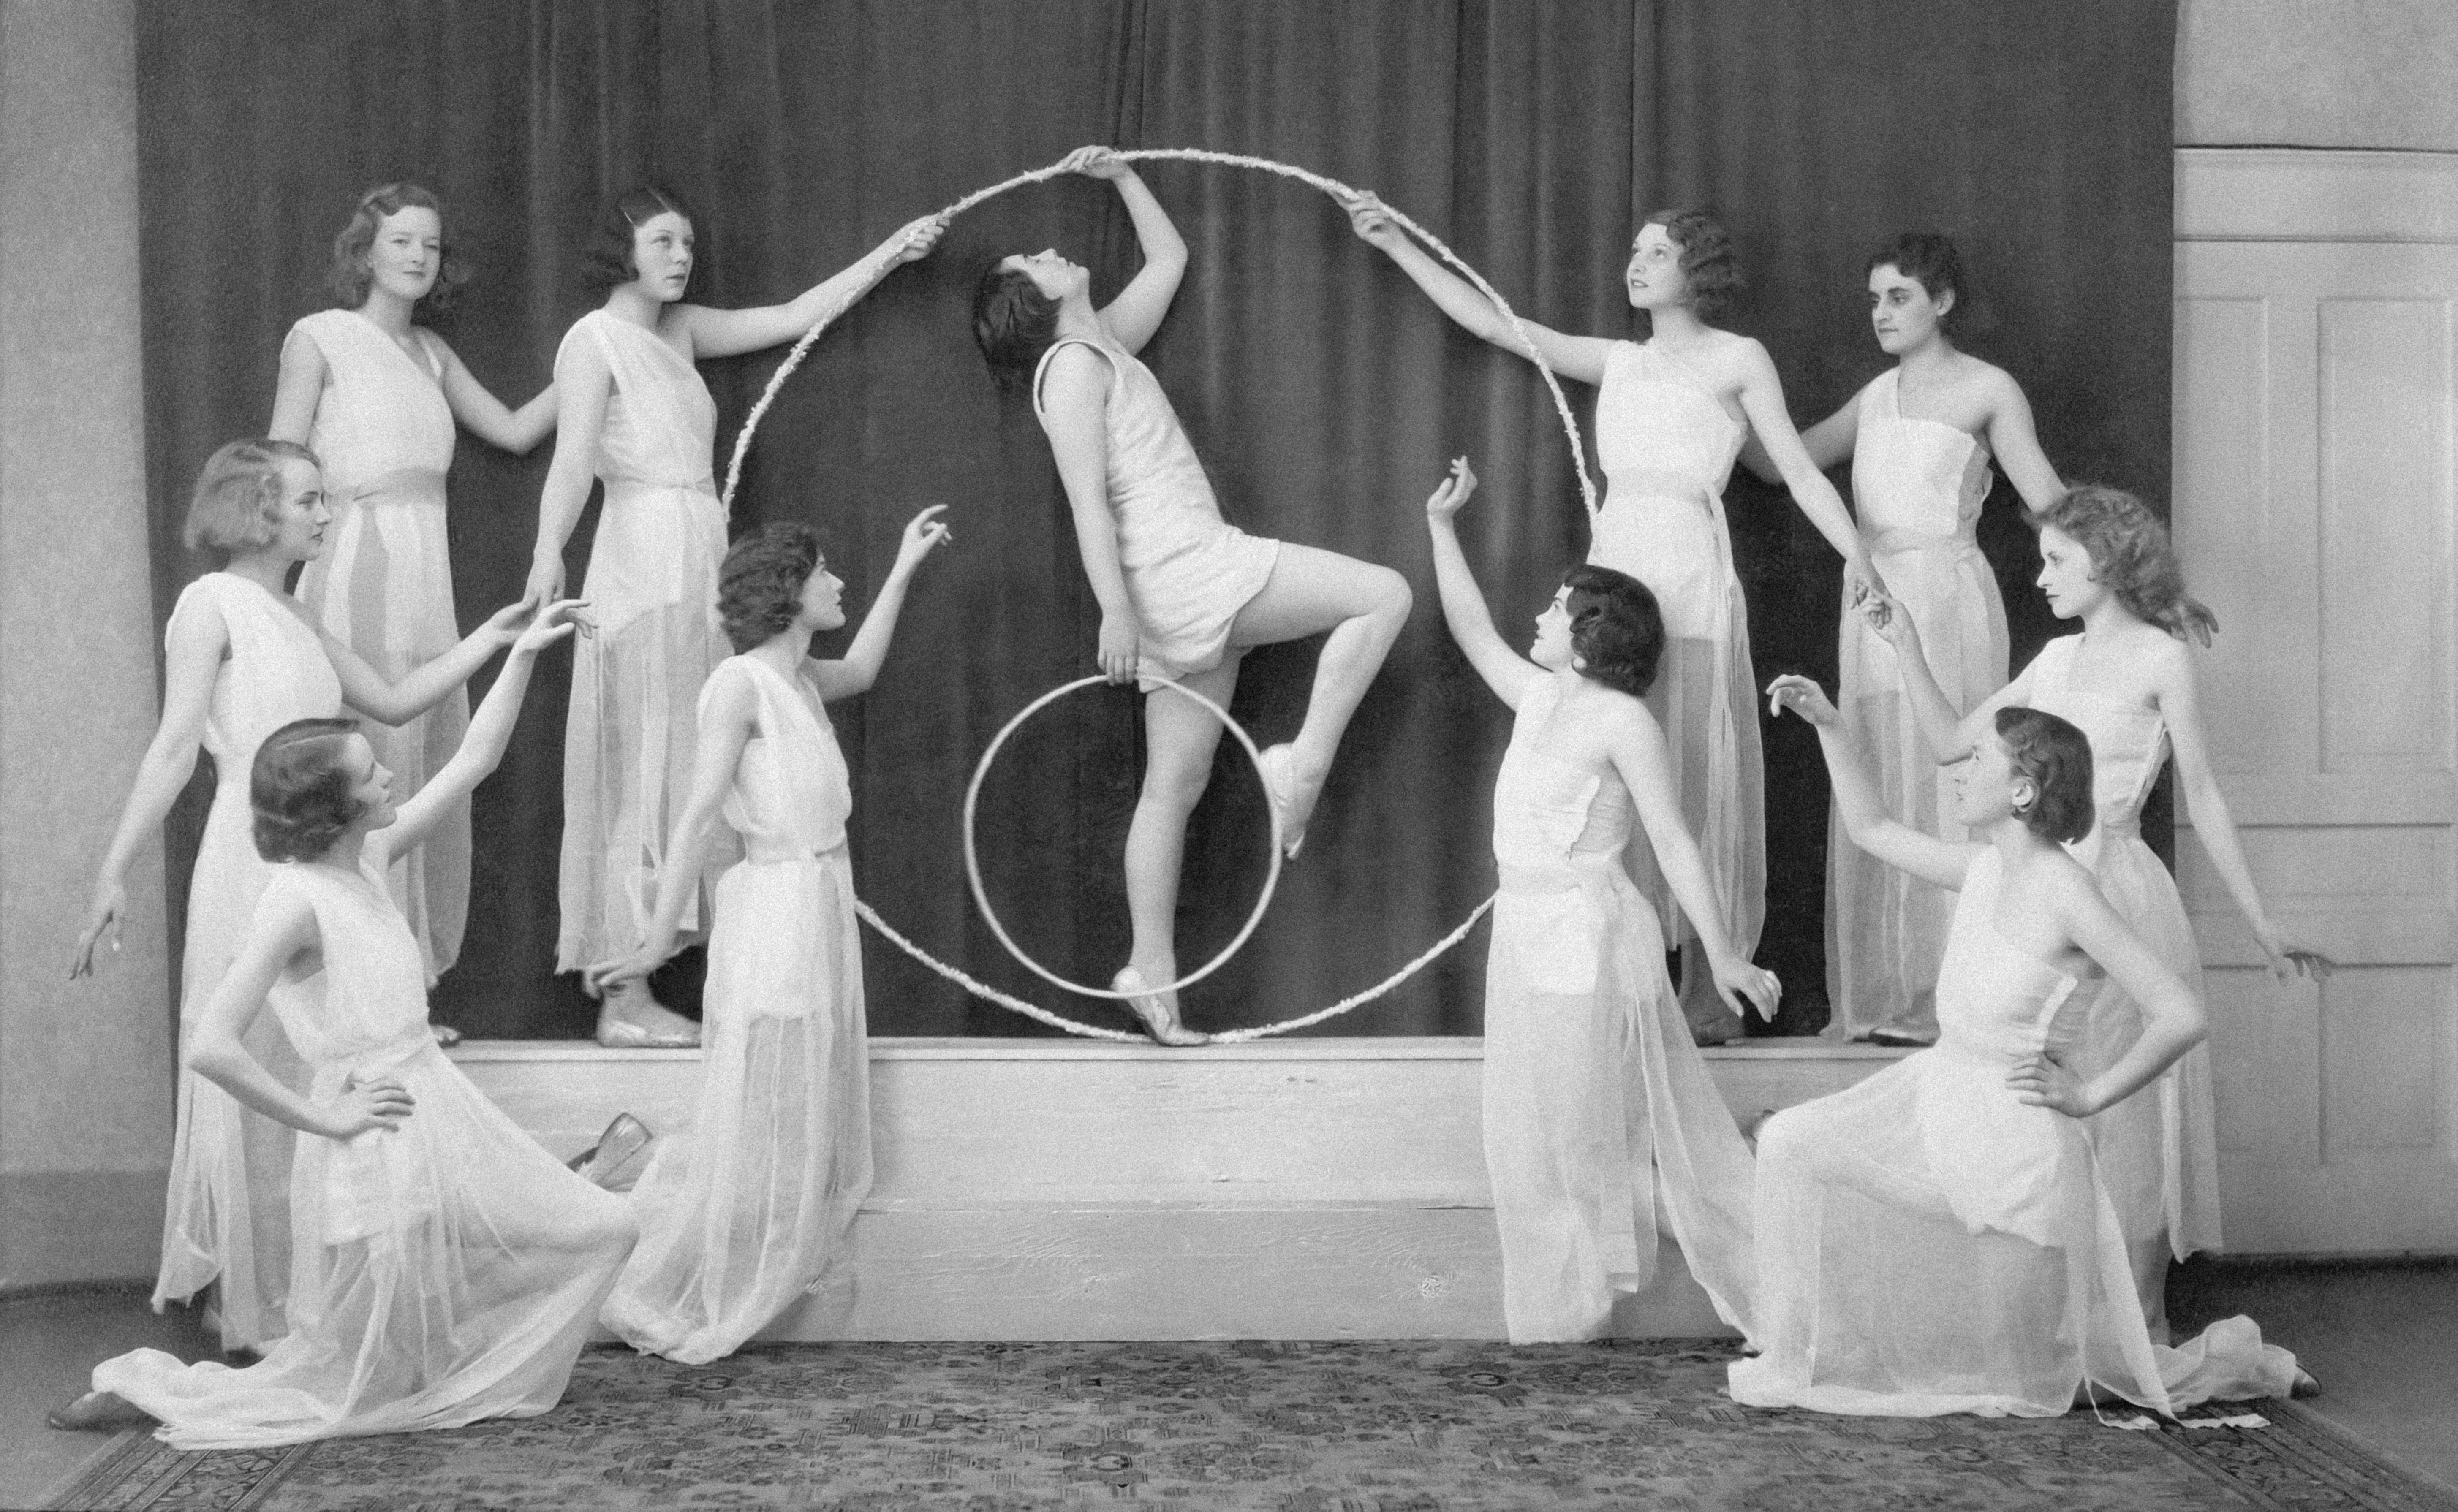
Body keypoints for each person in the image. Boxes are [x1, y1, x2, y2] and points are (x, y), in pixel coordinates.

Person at [53, 600, 641, 1448]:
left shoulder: (366, 859)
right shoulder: (294, 898)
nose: (390, 779)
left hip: (434, 1113)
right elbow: (212, 1044)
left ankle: (360, 1367)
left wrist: (525, 655)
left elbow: (473, 760)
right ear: (333, 806)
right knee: (354, 1383)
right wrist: (329, 1118)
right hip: (371, 1143)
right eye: (372, 775)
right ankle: (166, 1395)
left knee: (601, 1231)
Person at [1350, 198, 1873, 1044]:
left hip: (1694, 582)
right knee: (1602, 787)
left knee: (1692, 791)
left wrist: (1861, 558)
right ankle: (1616, 993)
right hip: (1617, 577)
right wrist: (1396, 243)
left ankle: (1712, 997)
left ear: (1695, 269)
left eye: (1657, 253)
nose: (1637, 265)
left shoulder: (1739, 360)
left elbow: (1799, 475)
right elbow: (1497, 325)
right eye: (1635, 250)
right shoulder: (1618, 362)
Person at [71, 439, 545, 1352]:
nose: (326, 515)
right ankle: (257, 1306)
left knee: (320, 1064)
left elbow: (397, 699)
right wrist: (114, 868)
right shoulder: (209, 606)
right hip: (253, 858)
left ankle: (320, 1299)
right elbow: (175, 749)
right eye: (310, 501)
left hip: (324, 855)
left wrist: (501, 636)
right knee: (257, 1064)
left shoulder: (295, 612)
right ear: (259, 509)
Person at [1734, 675, 2309, 1417]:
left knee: (2036, 1385)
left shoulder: (2070, 892)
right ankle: (1788, 1351)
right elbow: (1871, 829)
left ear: (2024, 792)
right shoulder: (1982, 869)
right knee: (1791, 1141)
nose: (1960, 773)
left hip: (2017, 1158)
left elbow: (2180, 1011)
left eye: (1977, 761)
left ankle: (2234, 1363)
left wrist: (2092, 1096)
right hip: (1936, 1106)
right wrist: (1831, 725)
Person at [1866, 483, 2330, 1332]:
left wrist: (2261, 921)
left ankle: (2128, 1329)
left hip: (2118, 891)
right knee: (2033, 1091)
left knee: (2121, 1110)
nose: (2040, 578)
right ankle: (2052, 1319)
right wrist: (1905, 646)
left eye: (2055, 562)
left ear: (2108, 564)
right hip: (2032, 883)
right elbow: (1945, 745)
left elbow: (2205, 796)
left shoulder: (2162, 659)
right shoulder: (2052, 660)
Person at [975, 147, 1413, 1045]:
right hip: (1188, 573)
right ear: (1032, 297)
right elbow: (1087, 506)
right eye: (1036, 261)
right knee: (1384, 595)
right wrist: (1118, 613)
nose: (1052, 251)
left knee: (1174, 787)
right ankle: (1302, 762)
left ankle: (1153, 974)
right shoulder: (1072, 370)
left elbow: (1169, 261)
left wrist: (1123, 177)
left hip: (1183, 583)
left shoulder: (1100, 347)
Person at [528, 185, 944, 1046]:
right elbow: (571, 464)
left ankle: (703, 977)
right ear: (623, 250)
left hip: (698, 545)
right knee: (645, 772)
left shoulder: (679, 332)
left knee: (702, 760)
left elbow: (792, 314)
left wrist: (894, 251)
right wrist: (546, 553)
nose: (681, 256)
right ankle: (624, 996)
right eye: (662, 241)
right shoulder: (592, 341)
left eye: (687, 241)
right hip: (640, 557)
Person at [1424, 457, 1779, 1343]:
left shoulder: (1624, 721)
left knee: (1594, 1146)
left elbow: (1675, 842)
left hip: (1588, 941)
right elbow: (1470, 631)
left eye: (1556, 606)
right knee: (1550, 1141)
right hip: (1531, 935)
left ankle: (1783, 1280)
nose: (1539, 616)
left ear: (1591, 634)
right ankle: (1570, 1311)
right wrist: (1441, 529)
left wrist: (1725, 953)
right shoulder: (1540, 697)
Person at [583, 510, 945, 1360]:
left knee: (799, 1082)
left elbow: (861, 665)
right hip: (776, 907)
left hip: (816, 899)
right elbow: (698, 817)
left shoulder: (803, 680)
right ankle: (678, 1237)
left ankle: (755, 1241)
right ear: (788, 591)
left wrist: (902, 568)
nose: (838, 585)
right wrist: (652, 944)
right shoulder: (737, 686)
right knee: (771, 1084)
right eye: (825, 574)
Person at [1736, 232, 2064, 1045]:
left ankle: (1953, 996)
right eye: (1874, 299)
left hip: (1951, 602)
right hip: (1873, 602)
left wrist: (2125, 568)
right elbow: (1782, 465)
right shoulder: (1875, 396)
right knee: (1879, 770)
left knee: (1952, 776)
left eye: (1899, 298)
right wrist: (1714, 402)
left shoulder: (1989, 389)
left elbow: (2049, 499)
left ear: (1943, 301)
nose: (1881, 313)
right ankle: (1885, 994)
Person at [271, 183, 559, 996]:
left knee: (420, 767)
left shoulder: (431, 352)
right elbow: (280, 466)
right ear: (365, 250)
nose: (417, 257)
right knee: (368, 763)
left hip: (427, 570)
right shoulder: (322, 338)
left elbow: (511, 428)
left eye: (429, 246)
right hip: (357, 557)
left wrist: (597, 358)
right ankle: (362, 987)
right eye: (401, 242)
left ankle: (401, 982)